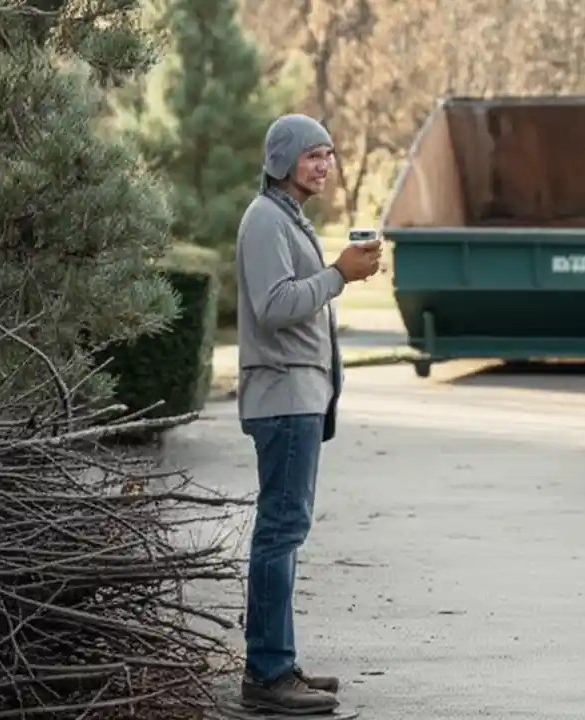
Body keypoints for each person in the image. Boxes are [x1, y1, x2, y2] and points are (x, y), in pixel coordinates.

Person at [234, 113, 381, 714]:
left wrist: (338, 274)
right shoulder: (265, 219)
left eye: (329, 154)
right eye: (313, 154)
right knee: (280, 532)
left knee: (285, 531)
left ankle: (278, 661)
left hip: (300, 397)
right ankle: (267, 676)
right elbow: (274, 307)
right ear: (283, 160)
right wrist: (338, 274)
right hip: (283, 396)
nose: (325, 165)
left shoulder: (287, 217)